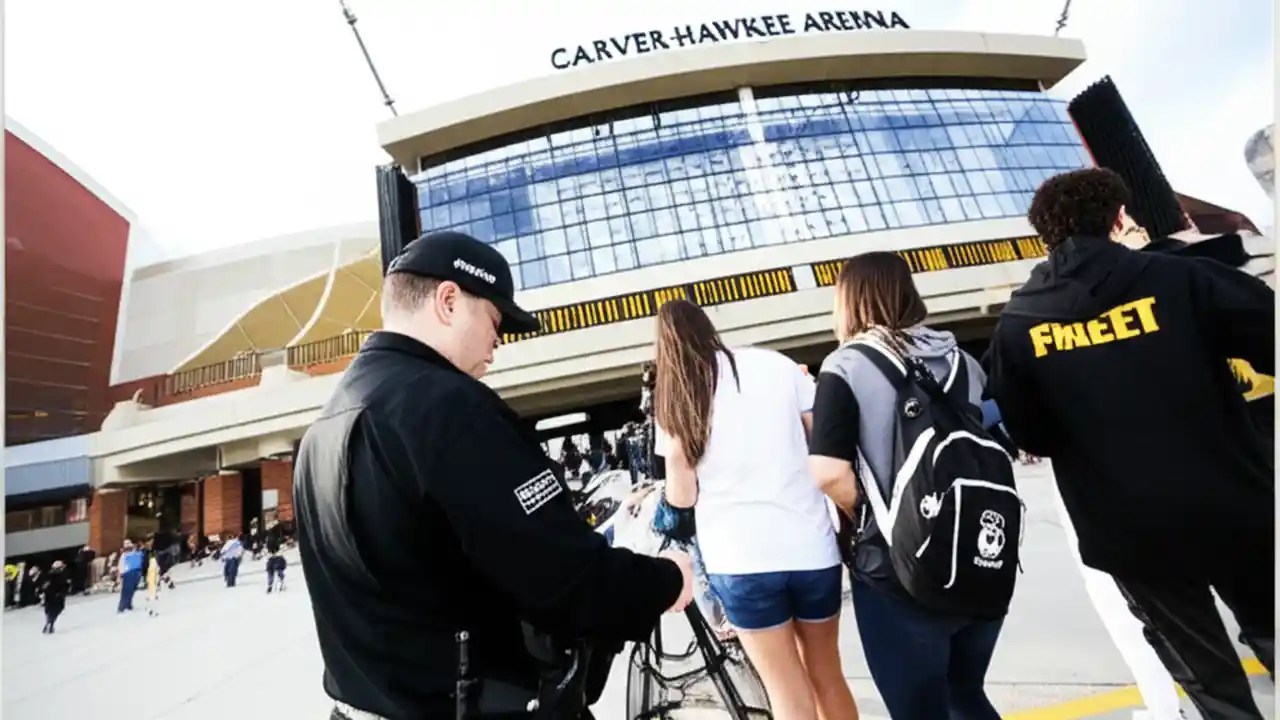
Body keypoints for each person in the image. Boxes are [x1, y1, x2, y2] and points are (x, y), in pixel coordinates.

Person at [293, 230, 693, 720]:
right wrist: (667, 580)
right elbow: (565, 578)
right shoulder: (449, 410)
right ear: (448, 301)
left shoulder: (323, 429)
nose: (498, 340)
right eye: (495, 319)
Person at [985, 168, 1275, 719]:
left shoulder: (1019, 326)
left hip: (1128, 529)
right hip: (1231, 499)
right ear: (1119, 218)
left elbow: (1029, 434)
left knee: (1210, 682)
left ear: (1045, 235)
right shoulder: (1180, 280)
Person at [808, 252, 1004, 720]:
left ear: (851, 302)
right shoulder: (962, 362)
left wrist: (871, 517)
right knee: (967, 694)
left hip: (899, 571)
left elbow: (828, 472)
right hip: (977, 553)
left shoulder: (846, 366)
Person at [653, 299, 857, 720]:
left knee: (785, 688)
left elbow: (682, 497)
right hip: (811, 548)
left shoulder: (676, 397)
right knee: (827, 674)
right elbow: (823, 443)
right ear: (708, 326)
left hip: (741, 561)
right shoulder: (776, 366)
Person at [41, 561, 69, 634]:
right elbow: (64, 586)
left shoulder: (48, 575)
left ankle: (48, 622)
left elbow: (44, 586)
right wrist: (62, 593)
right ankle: (50, 623)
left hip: (48, 596)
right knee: (56, 610)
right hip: (57, 596)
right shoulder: (61, 576)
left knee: (49, 611)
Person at [117, 542, 144, 613]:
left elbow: (121, 566)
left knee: (128, 591)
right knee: (129, 591)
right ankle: (125, 606)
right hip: (134, 573)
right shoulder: (136, 554)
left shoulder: (126, 555)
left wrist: (121, 575)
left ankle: (125, 606)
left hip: (130, 574)